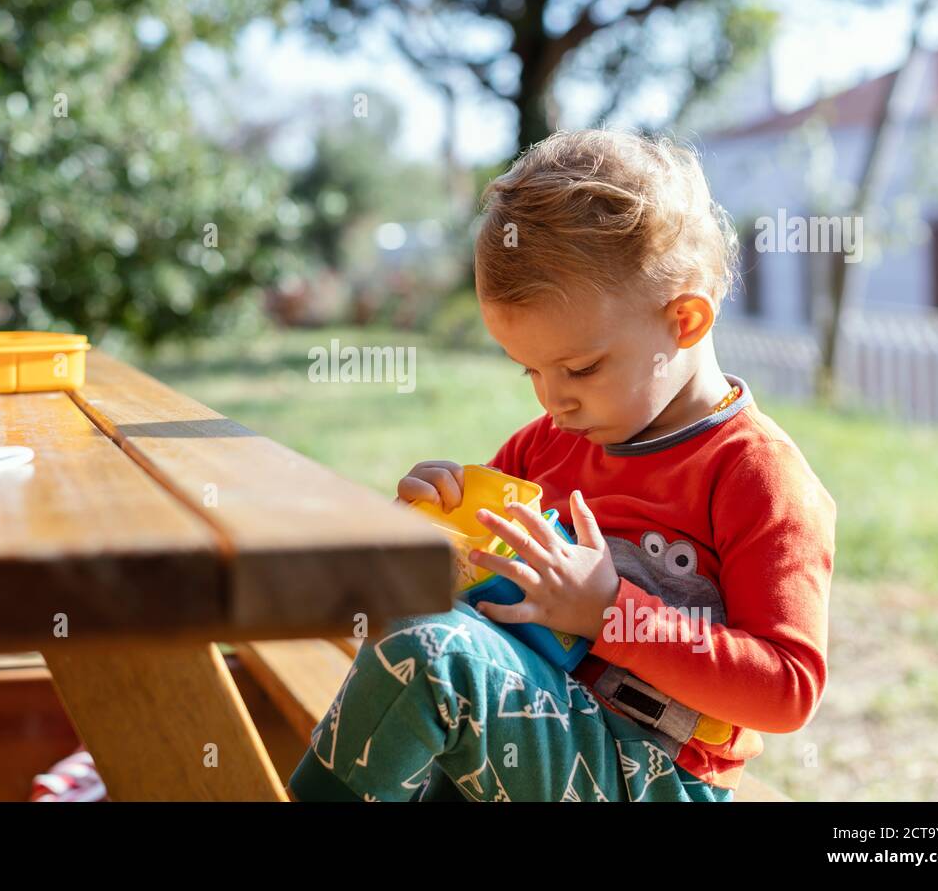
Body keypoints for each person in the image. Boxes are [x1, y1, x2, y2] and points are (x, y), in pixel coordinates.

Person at [288, 128, 836, 802]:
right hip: (522, 742)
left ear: (686, 319)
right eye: (531, 371)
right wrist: (429, 536)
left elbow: (787, 690)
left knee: (433, 659)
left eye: (580, 368)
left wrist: (611, 612)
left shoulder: (757, 476)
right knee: (412, 628)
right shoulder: (542, 446)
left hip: (654, 773)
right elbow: (463, 596)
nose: (554, 398)